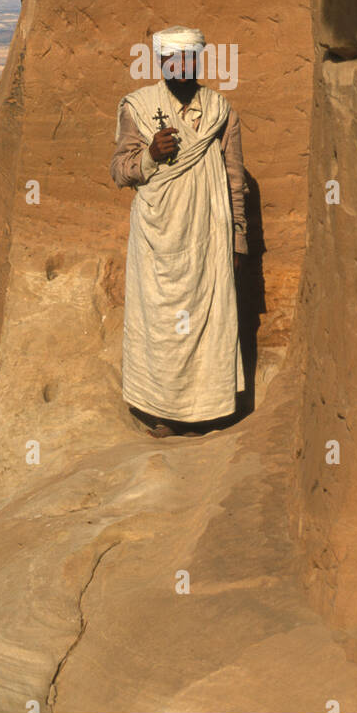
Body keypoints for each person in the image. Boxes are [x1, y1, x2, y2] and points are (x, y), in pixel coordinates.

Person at [110, 26, 248, 437]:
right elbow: (119, 171)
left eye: (190, 59)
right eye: (174, 60)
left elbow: (234, 178)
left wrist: (239, 238)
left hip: (208, 236)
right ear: (161, 62)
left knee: (208, 322)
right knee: (162, 323)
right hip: (158, 236)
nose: (182, 67)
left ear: (198, 61)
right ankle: (161, 412)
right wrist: (150, 156)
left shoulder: (221, 111)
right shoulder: (138, 106)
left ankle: (203, 413)